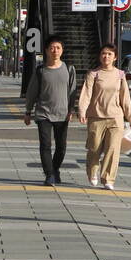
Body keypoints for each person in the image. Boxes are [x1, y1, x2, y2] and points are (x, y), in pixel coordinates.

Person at [76, 44, 131, 191]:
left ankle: (108, 178)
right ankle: (92, 171)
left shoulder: (120, 75)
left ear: (114, 57)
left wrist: (130, 117)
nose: (106, 56)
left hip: (115, 118)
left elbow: (125, 98)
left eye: (109, 54)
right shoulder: (93, 74)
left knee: (112, 149)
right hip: (96, 117)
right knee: (94, 148)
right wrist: (82, 111)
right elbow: (86, 94)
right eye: (103, 54)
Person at [23, 36, 77, 186]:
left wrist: (71, 110)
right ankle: (49, 175)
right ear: (46, 50)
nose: (55, 51)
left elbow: (72, 91)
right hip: (43, 113)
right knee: (45, 145)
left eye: (58, 48)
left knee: (61, 147)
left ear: (62, 50)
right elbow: (32, 92)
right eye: (52, 48)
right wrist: (28, 111)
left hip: (62, 113)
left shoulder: (69, 69)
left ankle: (55, 169)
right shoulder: (41, 71)